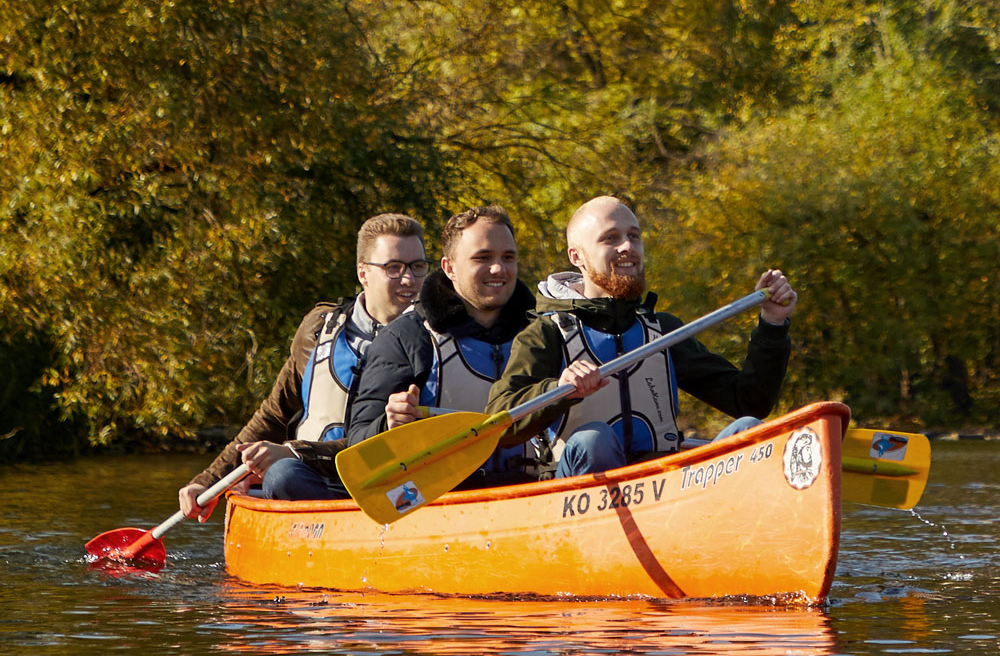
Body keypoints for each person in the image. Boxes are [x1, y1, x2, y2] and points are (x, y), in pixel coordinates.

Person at [485, 195, 797, 478]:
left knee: (749, 430)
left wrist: (772, 323)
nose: (628, 247)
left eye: (634, 236)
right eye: (611, 238)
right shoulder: (546, 332)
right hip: (576, 495)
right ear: (577, 257)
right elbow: (498, 423)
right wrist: (559, 389)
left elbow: (749, 401)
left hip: (660, 484)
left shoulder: (662, 330)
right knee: (595, 440)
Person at [178, 212, 426, 518]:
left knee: (284, 470)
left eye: (417, 267)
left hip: (396, 486)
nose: (409, 280)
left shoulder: (434, 338)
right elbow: (275, 413)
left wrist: (294, 452)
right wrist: (208, 481)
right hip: (319, 485)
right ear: (363, 273)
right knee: (283, 475)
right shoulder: (318, 329)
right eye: (394, 268)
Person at [347, 206, 537, 483]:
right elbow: (358, 448)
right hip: (442, 498)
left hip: (537, 492)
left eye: (508, 257)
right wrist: (387, 426)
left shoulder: (542, 330)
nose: (498, 268)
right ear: (449, 268)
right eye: (482, 258)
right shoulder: (405, 337)